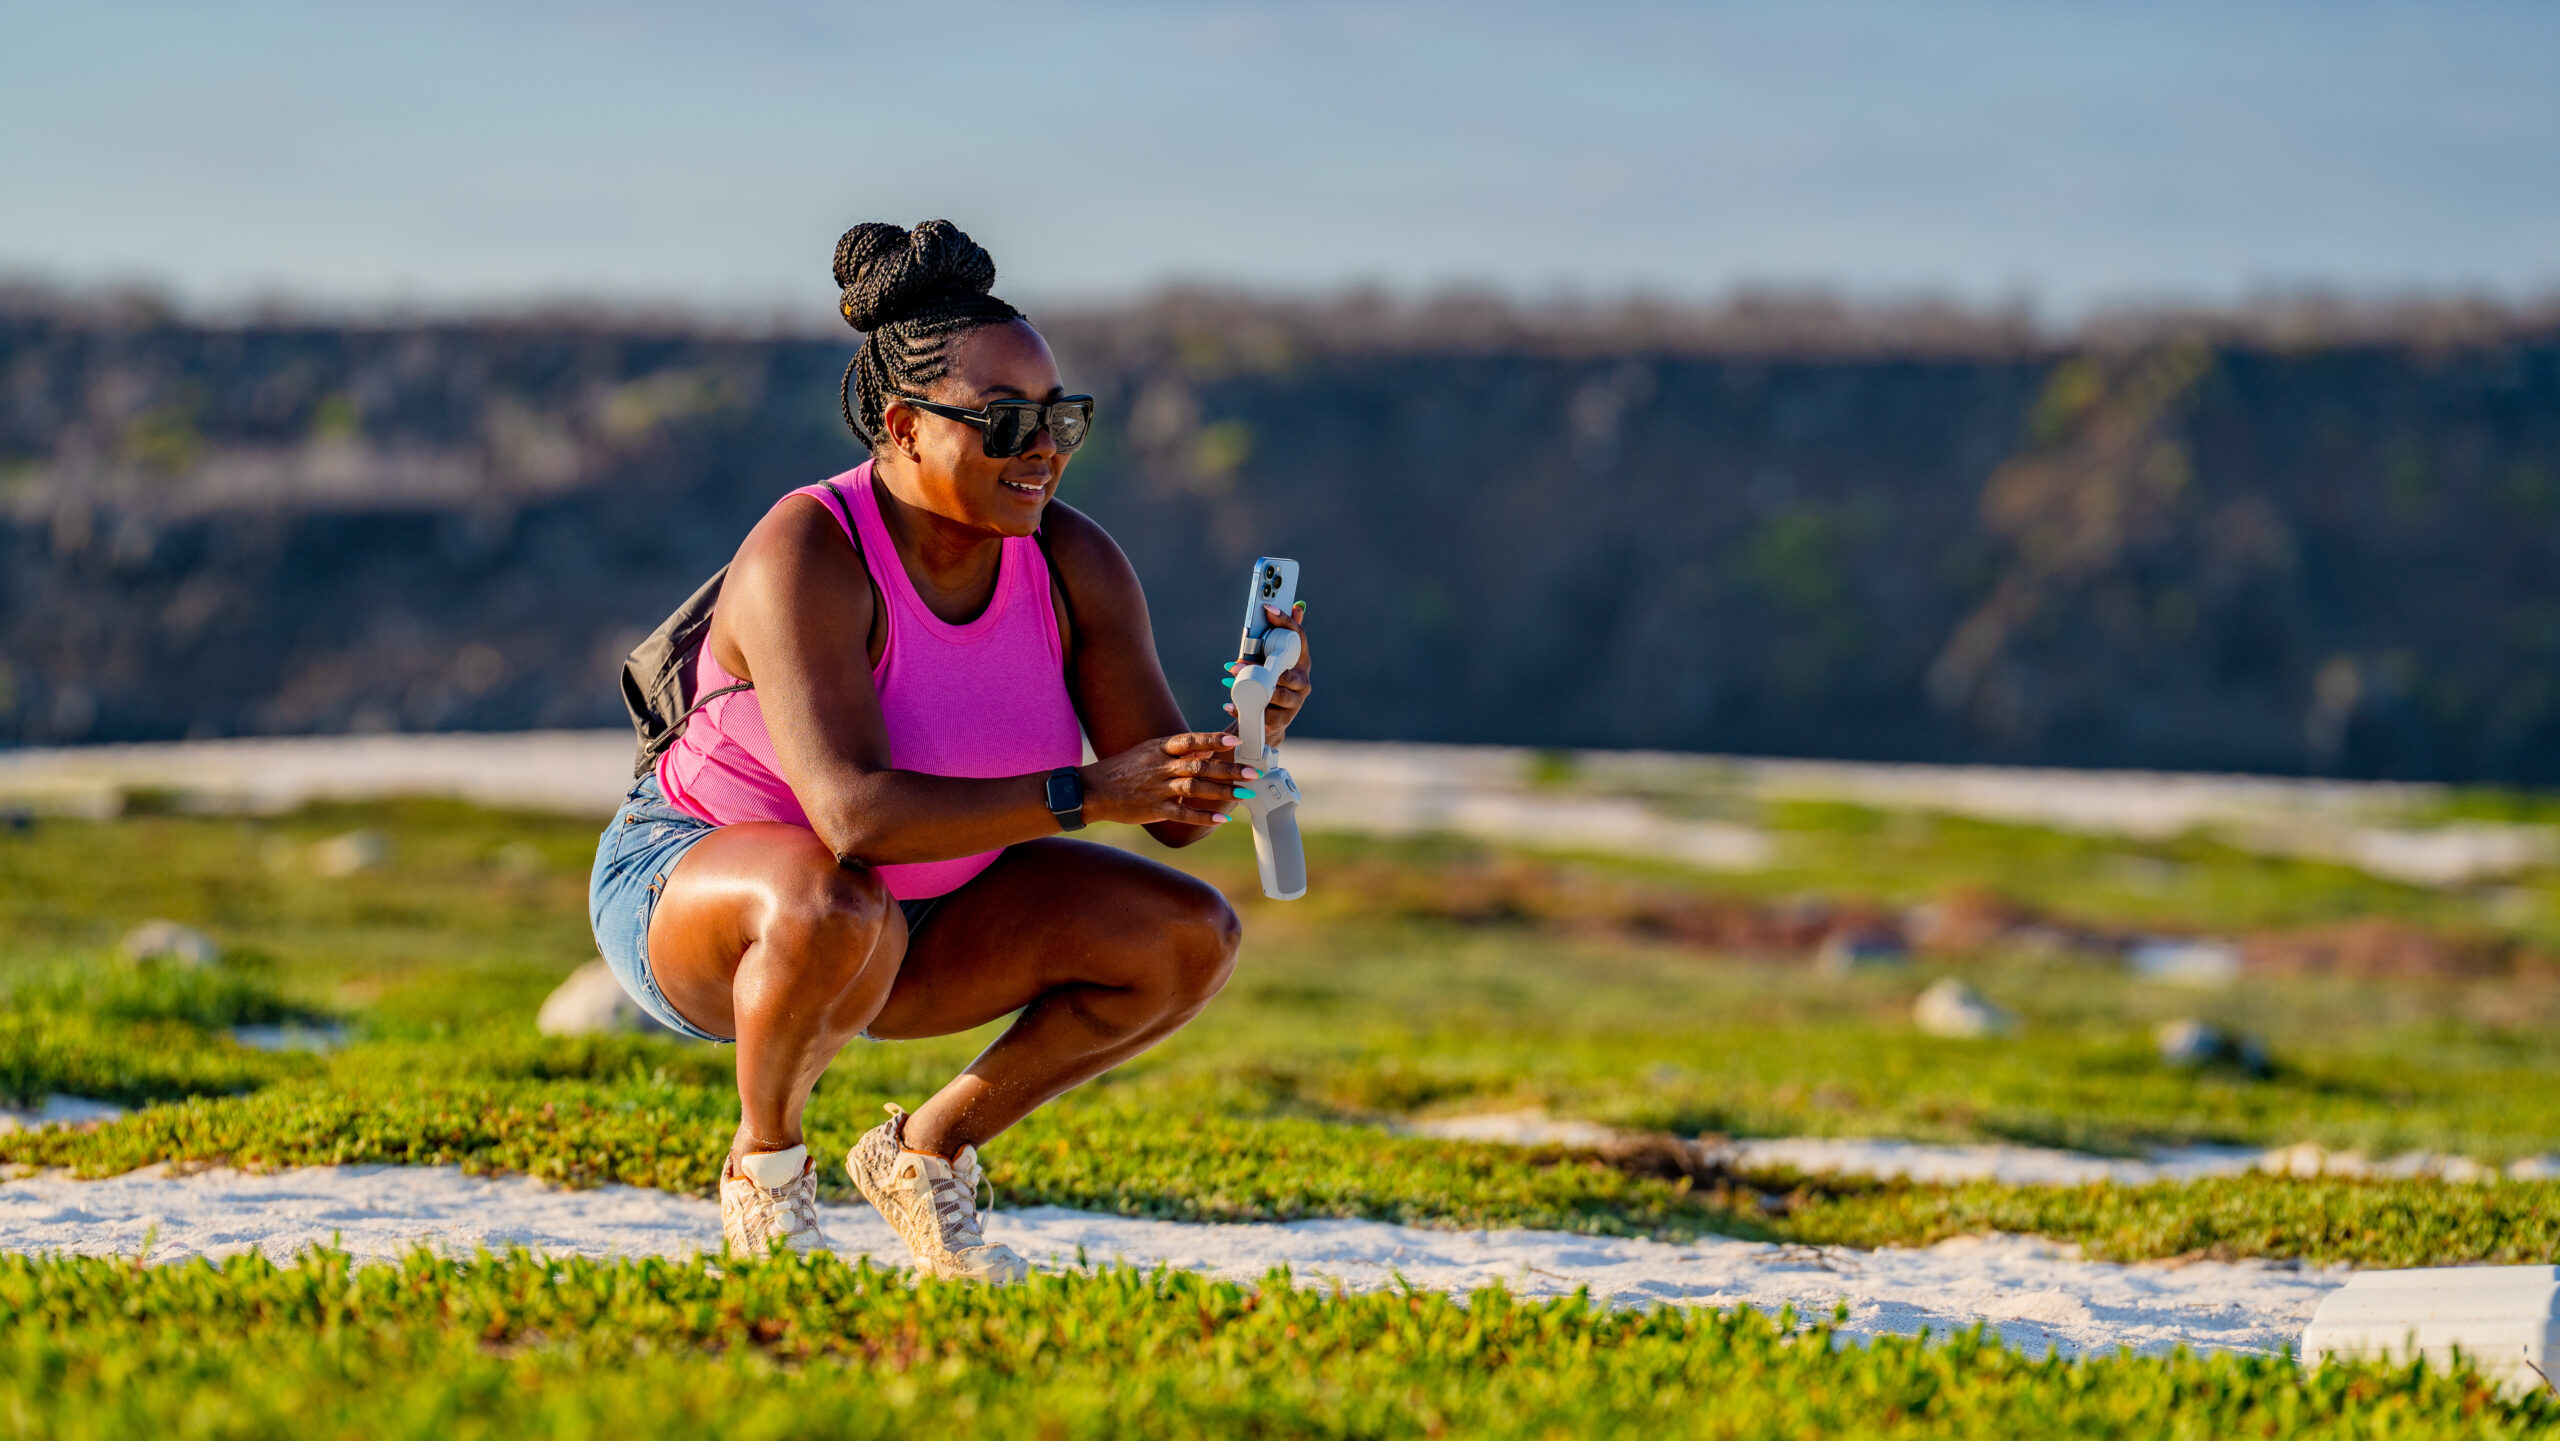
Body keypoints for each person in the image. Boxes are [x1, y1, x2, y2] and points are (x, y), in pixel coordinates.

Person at [586, 220, 1312, 1281]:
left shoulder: (1074, 560)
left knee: (1186, 937)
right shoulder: (809, 550)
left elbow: (1166, 812)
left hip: (919, 917)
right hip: (700, 896)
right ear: (903, 427)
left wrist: (1251, 733)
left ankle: (923, 1155)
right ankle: (765, 1170)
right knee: (835, 900)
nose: (1044, 449)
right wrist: (1083, 790)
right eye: (1006, 421)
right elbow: (854, 821)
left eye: (1063, 418)